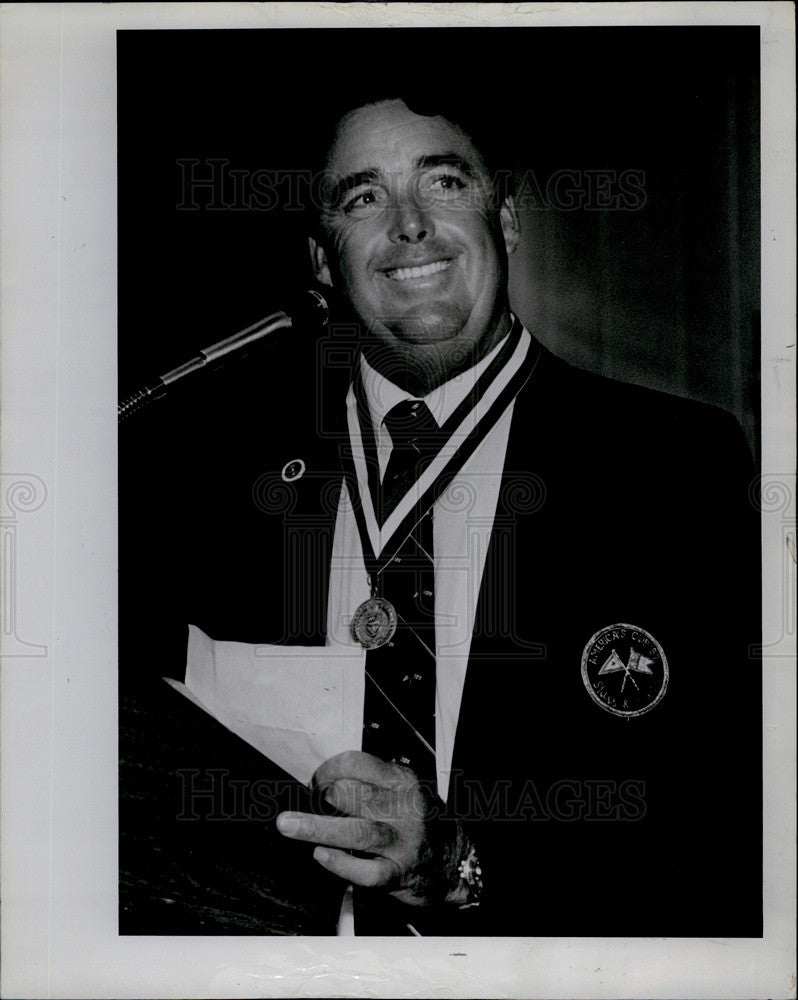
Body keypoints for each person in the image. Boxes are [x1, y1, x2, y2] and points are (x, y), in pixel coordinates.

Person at [119, 95, 761, 937]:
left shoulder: (673, 466)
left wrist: (464, 865)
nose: (411, 225)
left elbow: (731, 818)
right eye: (363, 198)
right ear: (322, 260)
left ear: (508, 220)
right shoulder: (206, 479)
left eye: (445, 183)